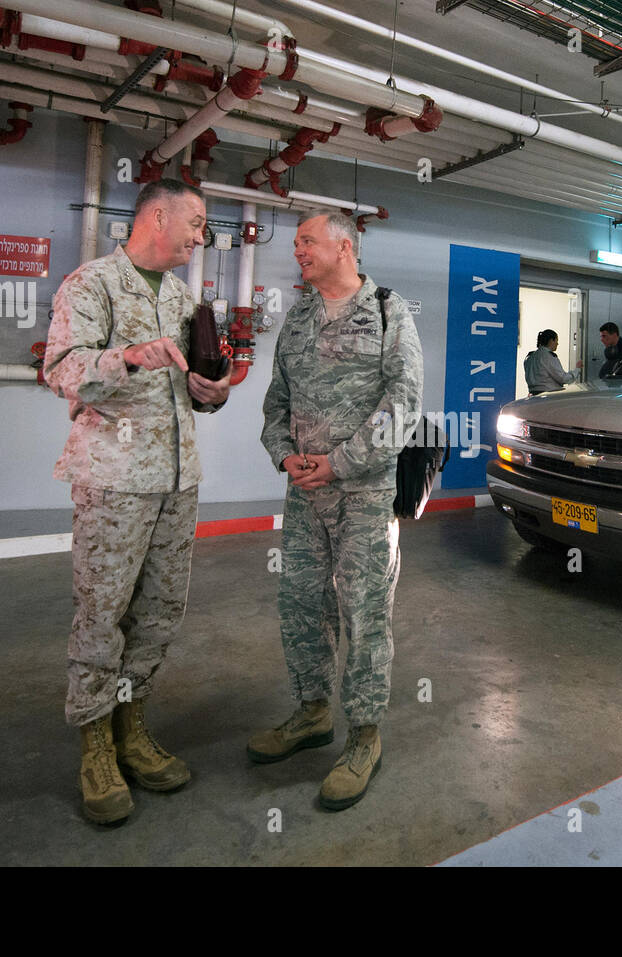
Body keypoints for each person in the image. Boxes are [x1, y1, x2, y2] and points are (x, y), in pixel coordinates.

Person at [44, 178, 232, 825]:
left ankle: (132, 725)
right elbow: (62, 370)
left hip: (177, 479)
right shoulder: (90, 284)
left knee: (158, 613)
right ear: (158, 215)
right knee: (102, 611)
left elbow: (195, 395)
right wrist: (128, 356)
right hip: (114, 476)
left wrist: (215, 387)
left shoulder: (184, 299)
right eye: (197, 222)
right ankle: (95, 745)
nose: (201, 235)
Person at [254, 211, 423, 811]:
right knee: (301, 603)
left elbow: (403, 401)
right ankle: (311, 713)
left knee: (365, 610)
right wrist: (283, 457)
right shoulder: (297, 316)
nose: (296, 248)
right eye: (296, 240)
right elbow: (277, 400)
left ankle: (364, 736)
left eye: (307, 240)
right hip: (304, 495)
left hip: (365, 495)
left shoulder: (387, 311)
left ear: (343, 247)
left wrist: (343, 462)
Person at [523, 329, 577, 394]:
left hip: (533, 395)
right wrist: (577, 370)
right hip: (548, 396)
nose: (557, 344)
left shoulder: (530, 357)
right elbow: (563, 378)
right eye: (556, 340)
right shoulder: (548, 356)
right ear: (551, 340)